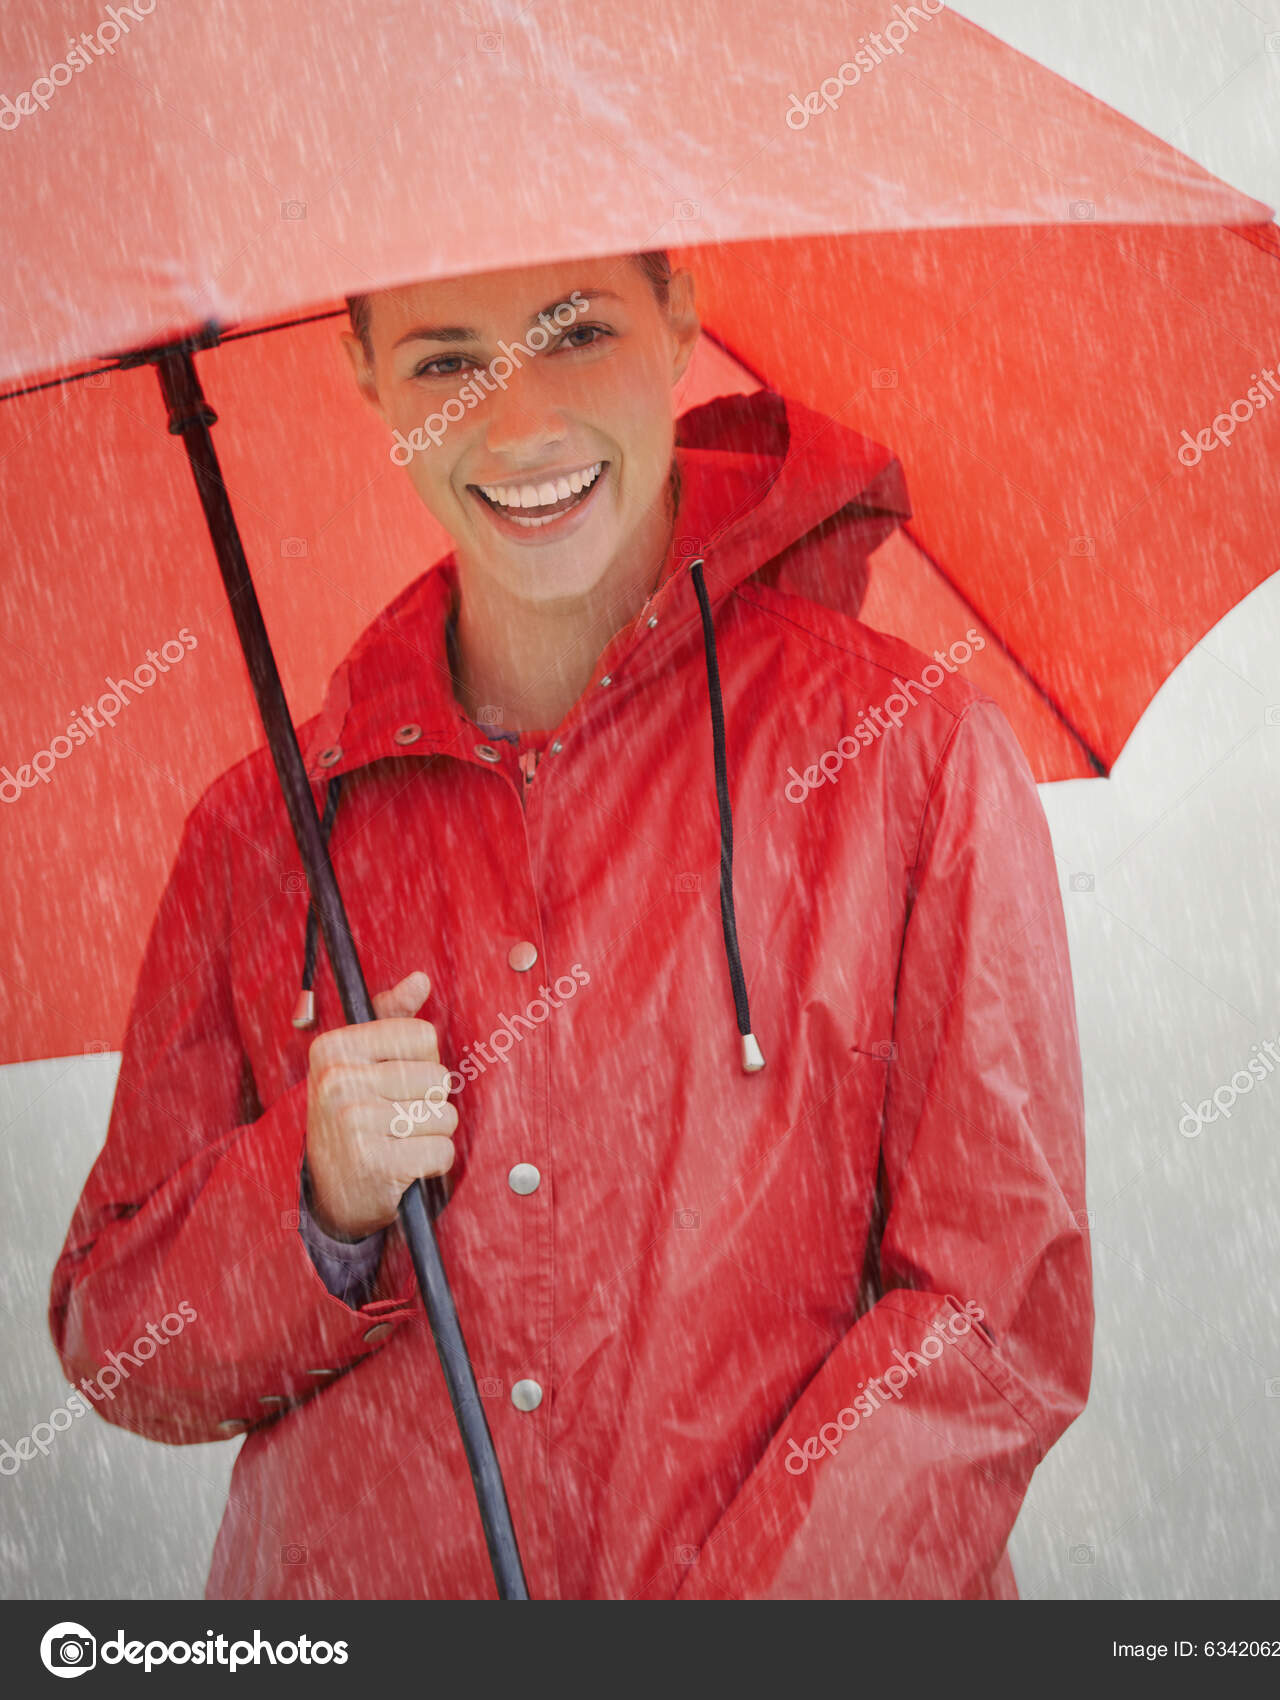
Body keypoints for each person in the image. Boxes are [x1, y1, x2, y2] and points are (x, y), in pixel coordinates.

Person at [48, 248, 1093, 1599]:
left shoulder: (909, 755)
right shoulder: (260, 832)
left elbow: (996, 1316)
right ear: (364, 370)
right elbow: (122, 1337)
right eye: (443, 361)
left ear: (678, 323)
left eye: (576, 329)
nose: (520, 419)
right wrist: (311, 1204)